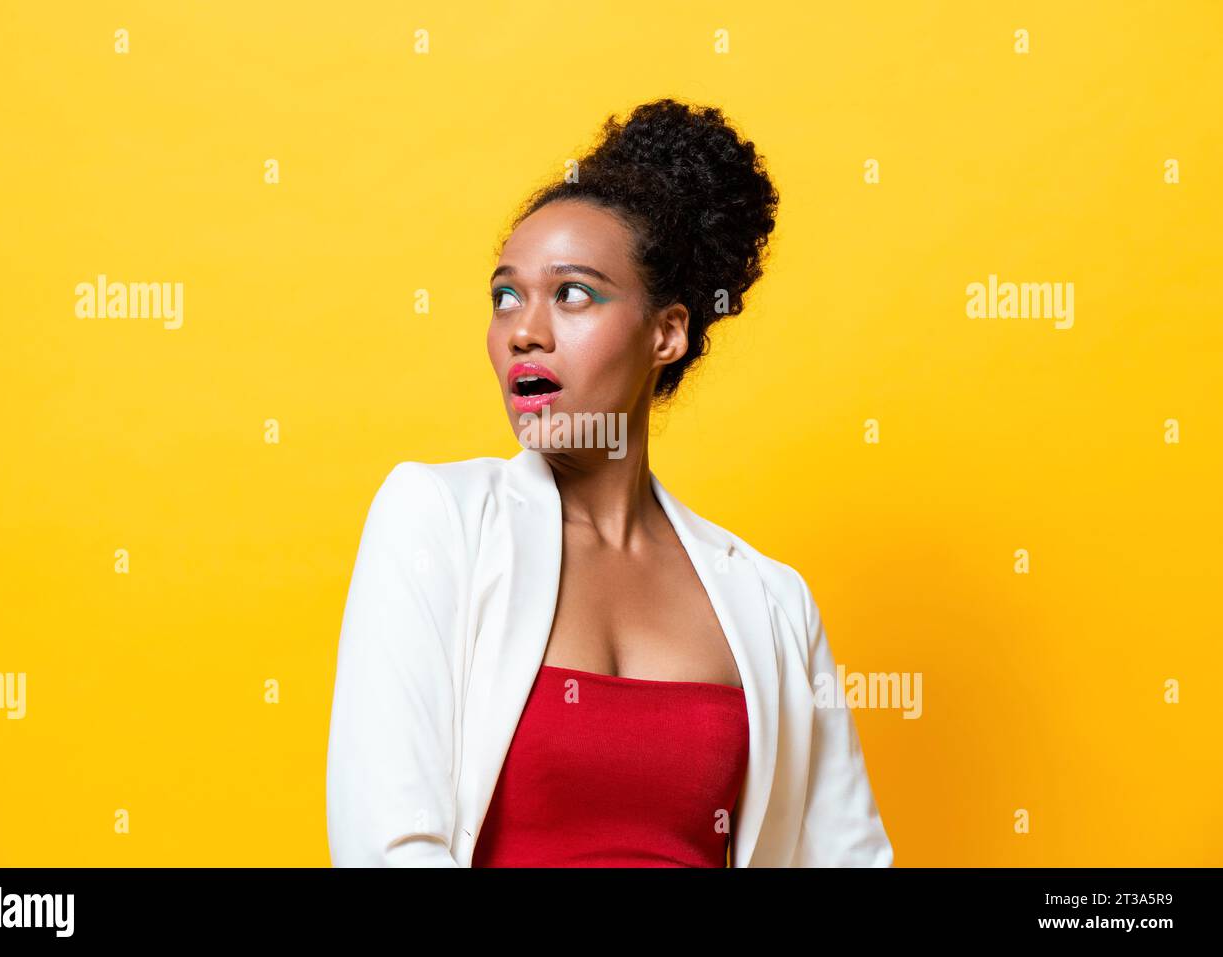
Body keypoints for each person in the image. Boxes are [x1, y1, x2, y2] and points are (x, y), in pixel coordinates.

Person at [326, 98, 893, 867]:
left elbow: (846, 859)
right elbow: (387, 845)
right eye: (506, 296)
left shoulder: (770, 600)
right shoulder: (436, 522)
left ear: (667, 332)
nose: (525, 328)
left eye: (574, 293)